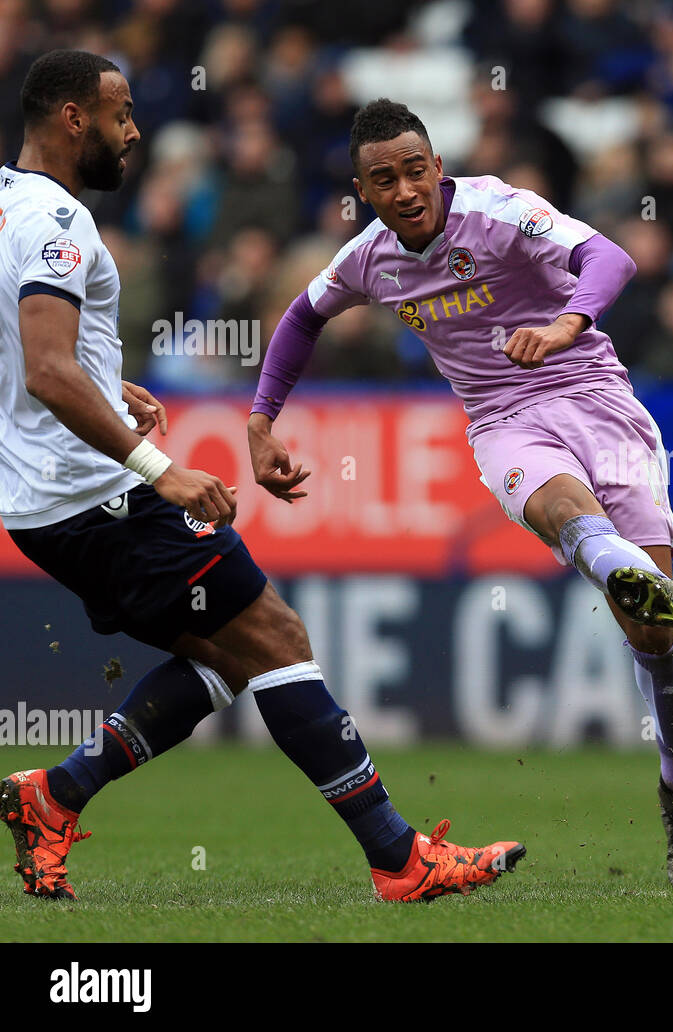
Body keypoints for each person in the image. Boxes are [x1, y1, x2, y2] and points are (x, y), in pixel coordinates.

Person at [0, 50, 522, 903]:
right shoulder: (60, 221)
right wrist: (160, 470)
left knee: (228, 656)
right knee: (277, 639)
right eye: (121, 114)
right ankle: (400, 860)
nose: (133, 132)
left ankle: (55, 797)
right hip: (98, 495)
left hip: (43, 504)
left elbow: (35, 355)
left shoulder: (7, 203)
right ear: (72, 118)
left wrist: (102, 381)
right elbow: (47, 371)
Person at [246, 99, 673, 884]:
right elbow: (302, 317)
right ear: (363, 191)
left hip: (597, 399)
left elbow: (611, 259)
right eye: (384, 180)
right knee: (564, 512)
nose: (405, 190)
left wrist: (566, 325)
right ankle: (625, 572)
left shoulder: (500, 210)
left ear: (437, 167)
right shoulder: (368, 258)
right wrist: (262, 420)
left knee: (653, 640)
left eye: (415, 171)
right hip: (503, 421)